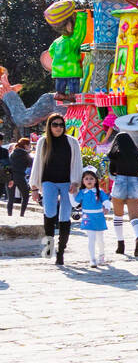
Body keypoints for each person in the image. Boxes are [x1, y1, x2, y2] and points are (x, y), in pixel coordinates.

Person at [30, 114, 82, 265]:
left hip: (67, 183)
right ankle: (49, 244)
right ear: (49, 126)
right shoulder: (43, 142)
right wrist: (34, 187)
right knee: (49, 212)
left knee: (65, 216)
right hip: (48, 181)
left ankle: (61, 251)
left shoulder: (72, 142)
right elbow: (37, 164)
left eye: (61, 125)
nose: (58, 127)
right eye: (55, 124)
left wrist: (76, 182)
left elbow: (77, 163)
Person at [106, 128, 138, 257]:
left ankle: (120, 244)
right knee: (134, 217)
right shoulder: (136, 155)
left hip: (120, 182)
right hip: (134, 183)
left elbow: (112, 173)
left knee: (118, 216)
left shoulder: (115, 154)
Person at [72, 170, 111, 268]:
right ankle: (92, 258)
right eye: (86, 179)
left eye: (91, 178)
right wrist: (70, 194)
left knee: (100, 239)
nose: (89, 180)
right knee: (91, 238)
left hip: (98, 217)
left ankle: (101, 255)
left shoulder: (99, 191)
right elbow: (75, 203)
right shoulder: (82, 192)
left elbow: (106, 201)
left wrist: (107, 208)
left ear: (95, 180)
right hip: (88, 217)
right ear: (83, 181)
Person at [5, 138, 31, 217]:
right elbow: (30, 164)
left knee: (10, 198)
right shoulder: (25, 154)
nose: (30, 147)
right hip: (20, 177)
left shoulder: (12, 153)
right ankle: (22, 214)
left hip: (10, 177)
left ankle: (9, 215)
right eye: (29, 145)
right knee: (25, 195)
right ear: (25, 145)